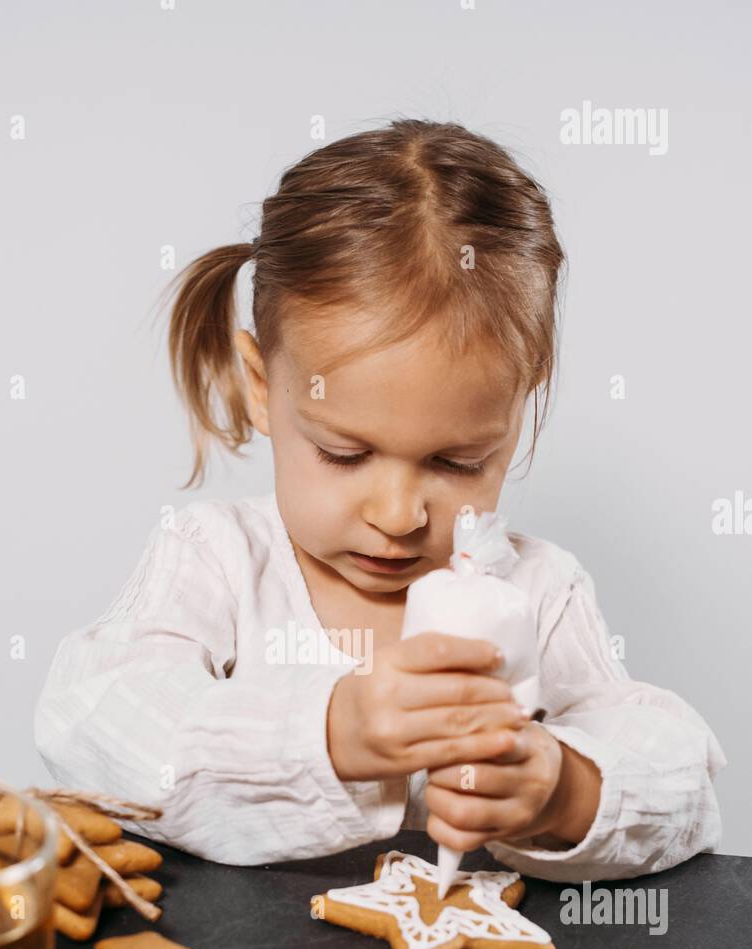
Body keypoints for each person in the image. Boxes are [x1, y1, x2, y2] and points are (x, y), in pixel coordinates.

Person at [35, 118, 725, 881]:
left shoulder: (537, 591)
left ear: (515, 414)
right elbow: (91, 719)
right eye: (345, 453)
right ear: (262, 390)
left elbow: (678, 775)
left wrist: (564, 790)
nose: (399, 515)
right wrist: (330, 733)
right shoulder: (219, 563)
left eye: (458, 461)